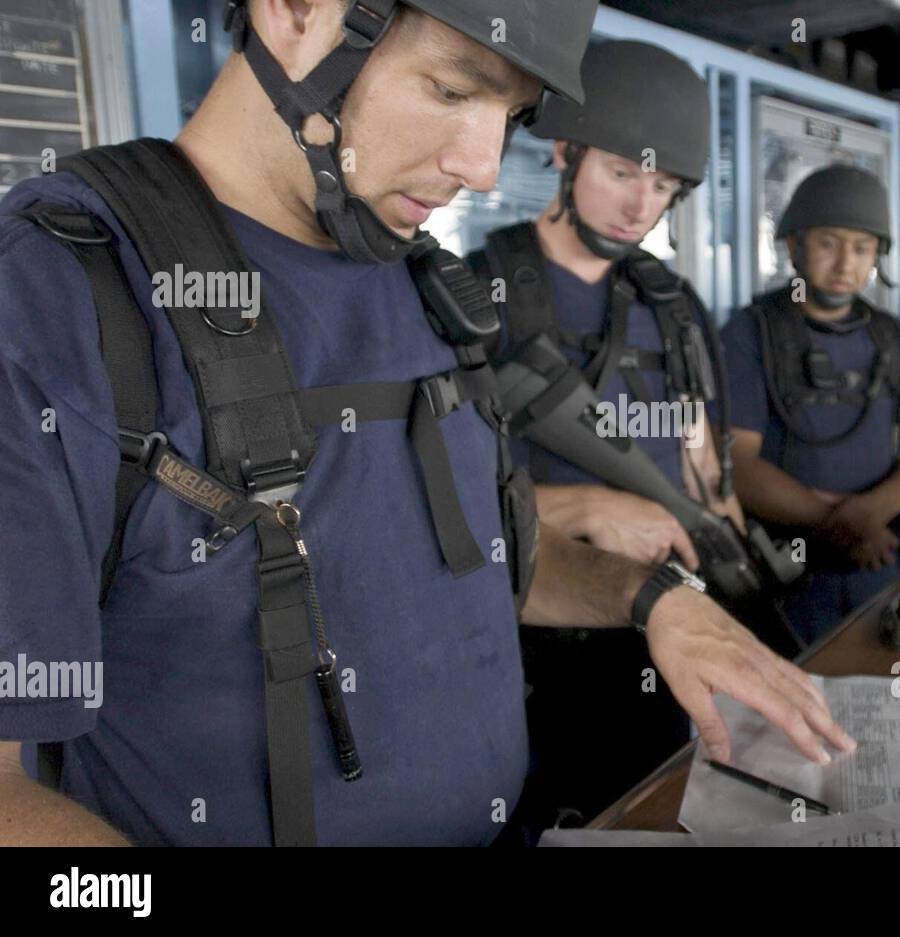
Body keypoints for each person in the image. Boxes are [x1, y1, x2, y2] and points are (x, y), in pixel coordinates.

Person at [0, 0, 852, 847]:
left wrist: (650, 598)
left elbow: (479, 557)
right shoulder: (51, 298)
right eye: (452, 90)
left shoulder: (426, 288)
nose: (484, 168)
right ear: (295, 12)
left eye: (510, 116)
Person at [468, 39, 765, 826]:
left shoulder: (674, 306)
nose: (641, 205)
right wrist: (582, 509)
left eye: (662, 185)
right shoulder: (473, 296)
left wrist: (734, 579)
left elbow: (707, 473)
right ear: (565, 151)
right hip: (528, 653)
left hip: (667, 638)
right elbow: (416, 503)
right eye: (623, 172)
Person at [720, 166, 900, 644]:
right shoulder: (751, 334)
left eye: (862, 248)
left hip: (879, 562)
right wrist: (842, 523)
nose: (846, 263)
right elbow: (734, 463)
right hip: (783, 573)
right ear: (793, 246)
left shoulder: (896, 337)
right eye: (828, 243)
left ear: (877, 256)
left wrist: (871, 513)